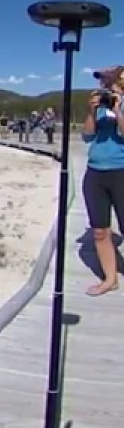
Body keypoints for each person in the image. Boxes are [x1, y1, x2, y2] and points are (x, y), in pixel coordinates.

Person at [82, 65, 124, 297]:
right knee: (100, 231)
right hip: (95, 173)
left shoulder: (120, 103)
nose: (105, 86)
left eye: (110, 82)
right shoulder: (100, 104)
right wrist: (91, 111)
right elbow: (88, 136)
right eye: (104, 82)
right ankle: (110, 279)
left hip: (121, 171)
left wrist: (118, 111)